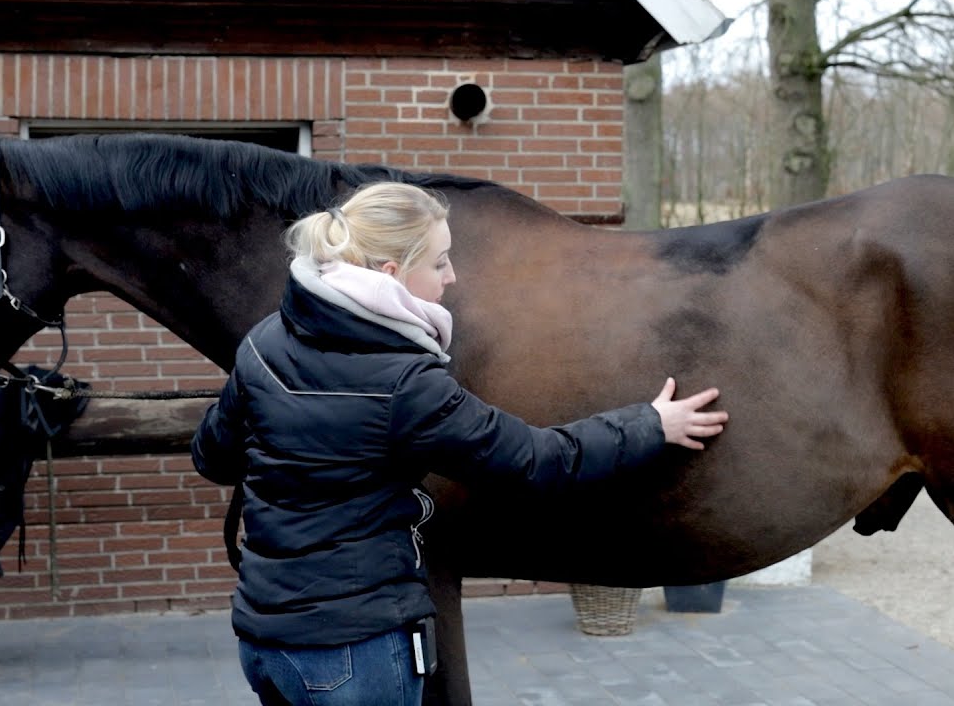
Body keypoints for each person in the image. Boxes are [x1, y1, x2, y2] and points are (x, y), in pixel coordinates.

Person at [191, 181, 728, 706]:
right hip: (355, 653)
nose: (452, 276)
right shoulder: (406, 384)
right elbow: (540, 462)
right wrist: (651, 424)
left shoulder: (263, 342)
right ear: (391, 274)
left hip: (265, 644)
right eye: (440, 262)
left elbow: (212, 456)